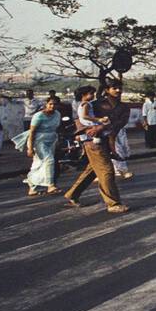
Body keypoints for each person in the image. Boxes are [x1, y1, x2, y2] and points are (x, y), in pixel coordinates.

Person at [64, 80, 130, 213]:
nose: (118, 90)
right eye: (114, 88)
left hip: (108, 138)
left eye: (119, 88)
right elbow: (81, 118)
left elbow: (118, 125)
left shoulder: (124, 107)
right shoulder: (95, 104)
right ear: (107, 90)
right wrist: (85, 131)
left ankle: (72, 194)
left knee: (93, 170)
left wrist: (105, 131)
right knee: (106, 170)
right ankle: (113, 203)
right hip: (92, 141)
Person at [17, 95, 63, 196]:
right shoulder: (38, 116)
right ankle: (50, 185)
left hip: (52, 140)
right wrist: (29, 148)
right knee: (49, 160)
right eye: (50, 104)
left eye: (55, 104)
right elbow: (32, 132)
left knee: (38, 164)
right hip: (39, 140)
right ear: (46, 104)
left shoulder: (57, 114)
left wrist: (58, 141)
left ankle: (32, 188)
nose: (52, 106)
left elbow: (57, 129)